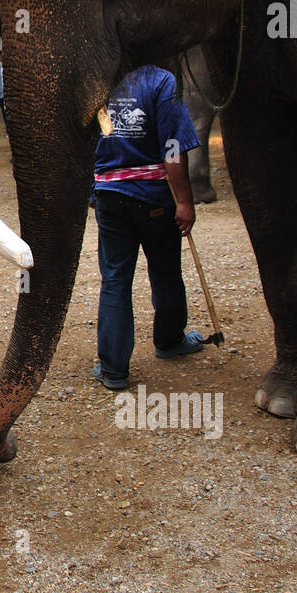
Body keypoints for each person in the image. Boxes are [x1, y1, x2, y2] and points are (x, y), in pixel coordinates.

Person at [92, 65, 205, 390]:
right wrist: (184, 200)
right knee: (166, 270)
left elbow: (89, 144)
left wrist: (94, 191)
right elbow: (172, 147)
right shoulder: (161, 81)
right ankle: (169, 341)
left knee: (115, 277)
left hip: (110, 196)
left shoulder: (99, 80)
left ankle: (113, 369)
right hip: (154, 197)